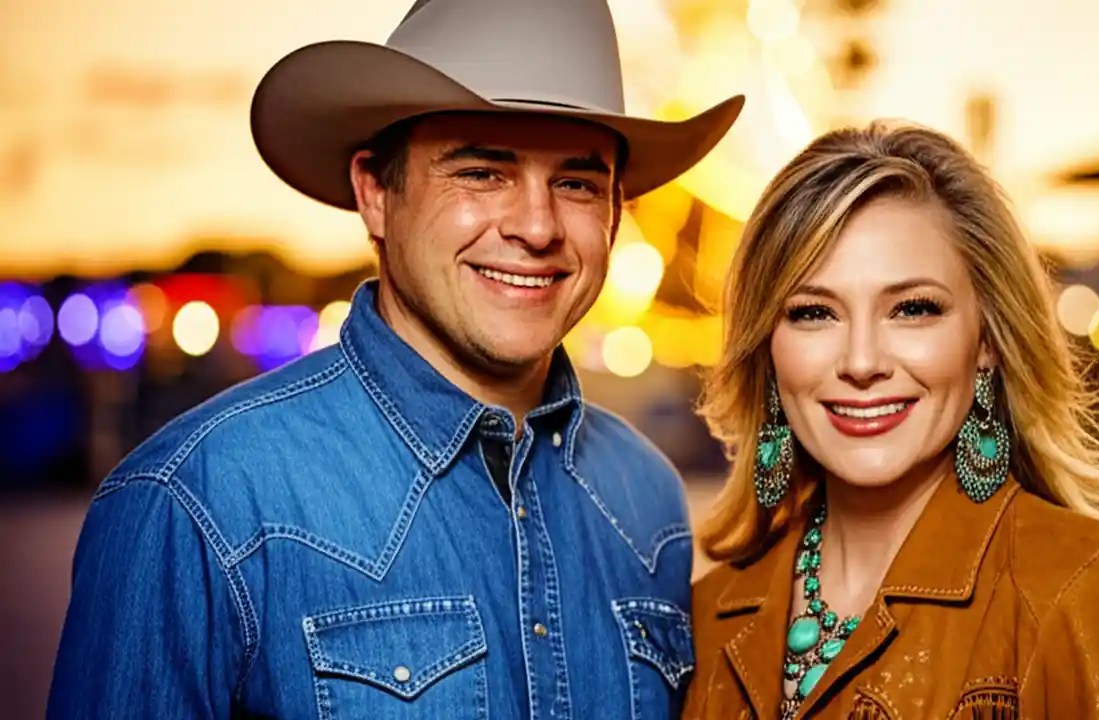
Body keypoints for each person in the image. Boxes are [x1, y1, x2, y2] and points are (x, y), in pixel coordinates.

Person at [48, 1, 743, 717]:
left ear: (614, 211)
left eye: (576, 183)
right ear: (375, 194)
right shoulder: (201, 501)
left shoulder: (646, 500)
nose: (537, 226)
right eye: (481, 172)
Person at [683, 123, 1099, 719]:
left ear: (986, 339)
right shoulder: (706, 614)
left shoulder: (1089, 587)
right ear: (767, 349)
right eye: (813, 313)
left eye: (912, 309)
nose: (861, 362)